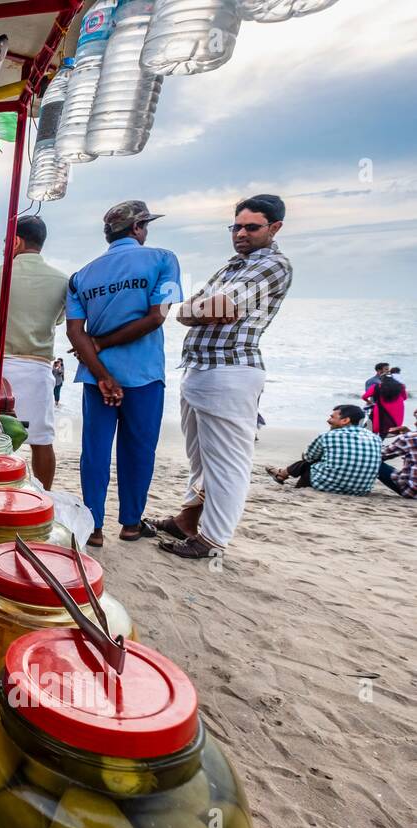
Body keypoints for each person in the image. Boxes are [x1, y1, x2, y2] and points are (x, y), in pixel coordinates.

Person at [154, 194, 294, 560]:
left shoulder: (273, 265)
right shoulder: (233, 266)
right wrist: (200, 310)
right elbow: (184, 311)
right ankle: (188, 519)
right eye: (236, 226)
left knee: (227, 461)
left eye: (251, 227)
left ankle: (212, 539)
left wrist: (200, 309)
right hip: (201, 368)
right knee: (200, 458)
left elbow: (220, 306)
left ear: (274, 227)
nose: (241, 233)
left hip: (230, 369)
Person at [65, 200, 182, 547]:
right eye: (145, 226)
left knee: (95, 451)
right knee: (139, 449)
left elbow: (75, 333)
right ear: (137, 228)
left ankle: (94, 527)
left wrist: (101, 371)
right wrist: (102, 344)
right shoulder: (164, 259)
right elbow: (157, 317)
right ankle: (130, 523)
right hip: (144, 373)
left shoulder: (81, 275)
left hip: (94, 377)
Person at [0, 214, 68, 489]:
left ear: (16, 241)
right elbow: (59, 319)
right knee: (42, 440)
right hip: (37, 368)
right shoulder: (62, 280)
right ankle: (43, 495)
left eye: (5, 242)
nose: (3, 247)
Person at [265, 405, 380, 495]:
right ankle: (281, 474)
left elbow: (308, 457)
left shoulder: (328, 436)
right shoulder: (375, 438)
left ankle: (281, 474)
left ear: (345, 420)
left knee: (308, 463)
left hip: (327, 486)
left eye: (332, 417)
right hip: (361, 490)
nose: (328, 420)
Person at [378, 408, 417, 498]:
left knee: (374, 462)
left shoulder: (409, 438)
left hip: (412, 491)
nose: (415, 423)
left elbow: (380, 455)